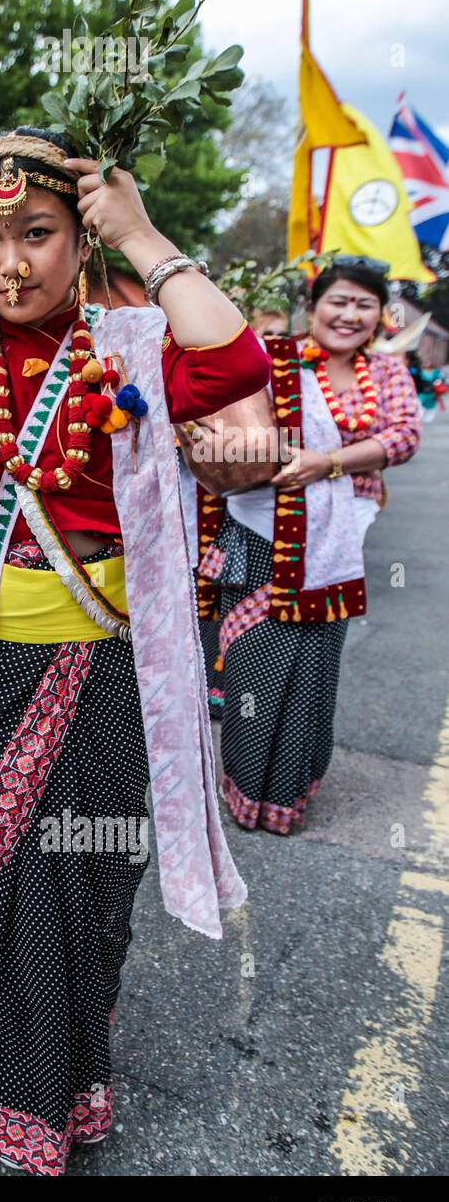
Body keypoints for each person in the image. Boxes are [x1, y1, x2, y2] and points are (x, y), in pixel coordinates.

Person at [0, 126, 267, 1174]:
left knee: (93, 885)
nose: (12, 263)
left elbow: (233, 360)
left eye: (37, 233)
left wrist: (142, 232)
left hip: (113, 669)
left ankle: (77, 1068)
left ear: (79, 240)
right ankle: (19, 1098)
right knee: (4, 897)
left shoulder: (127, 345)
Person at [204, 256, 422, 836]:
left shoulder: (389, 371)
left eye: (364, 304)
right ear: (314, 303)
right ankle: (247, 787)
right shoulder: (273, 359)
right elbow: (223, 423)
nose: (350, 315)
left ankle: (287, 795)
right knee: (256, 666)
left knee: (313, 668)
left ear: (380, 314)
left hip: (336, 544)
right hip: (259, 532)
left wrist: (327, 463)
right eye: (339, 301)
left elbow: (401, 437)